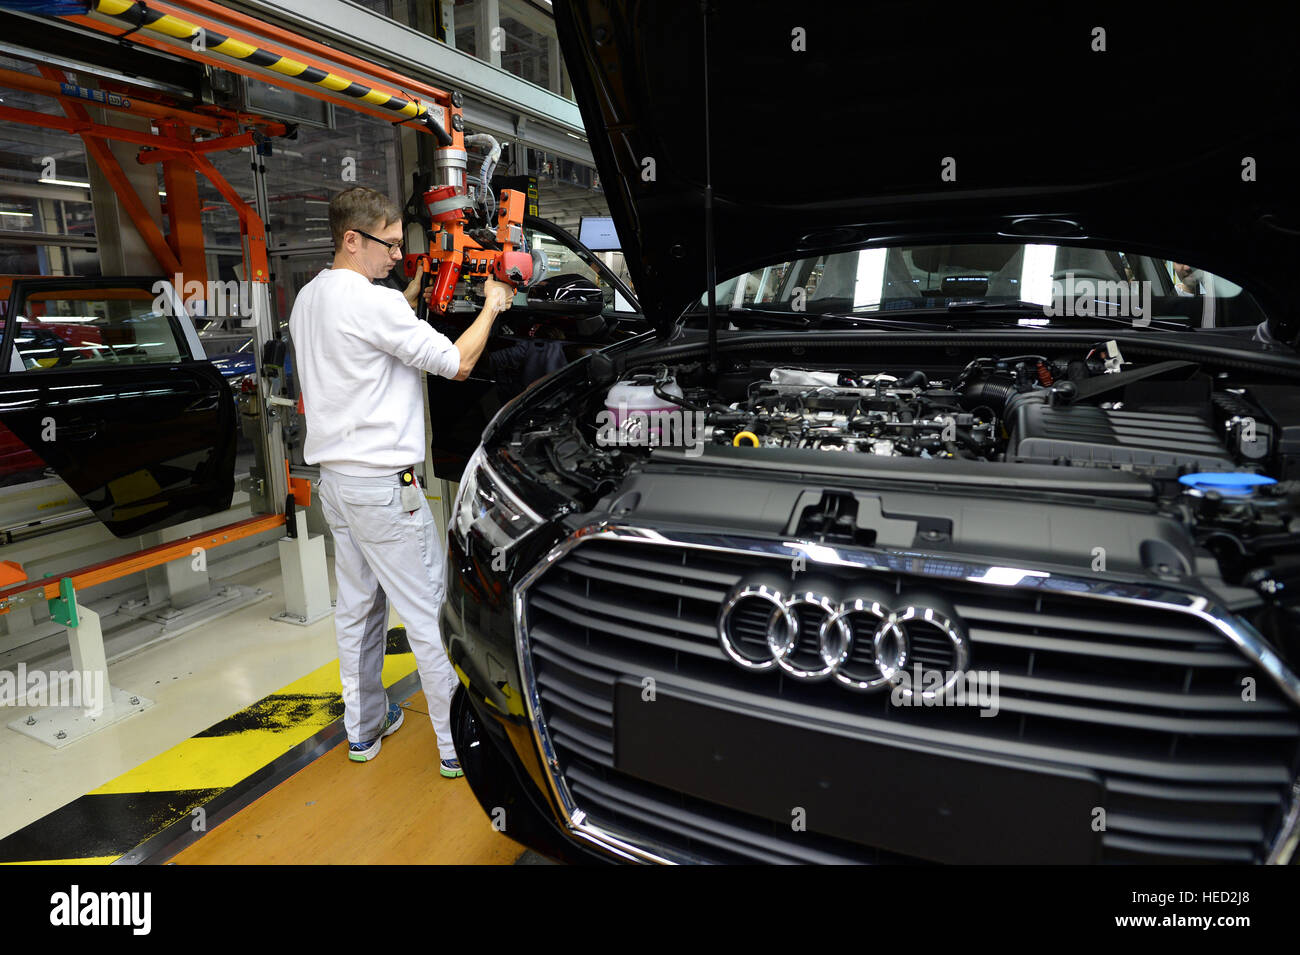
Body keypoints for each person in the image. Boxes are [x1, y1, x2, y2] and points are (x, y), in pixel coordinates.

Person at [289, 186, 512, 775]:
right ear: (352, 240)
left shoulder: (309, 299)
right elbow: (458, 363)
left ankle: (362, 730)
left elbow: (368, 340)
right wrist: (491, 304)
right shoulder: (374, 305)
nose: (397, 257)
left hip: (335, 485)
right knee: (429, 614)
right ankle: (454, 745)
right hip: (388, 490)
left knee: (357, 612)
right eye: (389, 246)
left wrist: (410, 296)